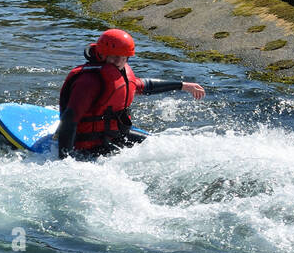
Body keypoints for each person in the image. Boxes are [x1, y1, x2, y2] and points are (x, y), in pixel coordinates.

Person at [57, 28, 206, 159]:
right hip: (88, 146)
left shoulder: (117, 72)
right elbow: (70, 119)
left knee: (163, 148)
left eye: (124, 58)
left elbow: (144, 85)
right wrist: (64, 160)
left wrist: (182, 85)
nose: (119, 62)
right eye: (115, 57)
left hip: (114, 136)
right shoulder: (88, 81)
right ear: (102, 54)